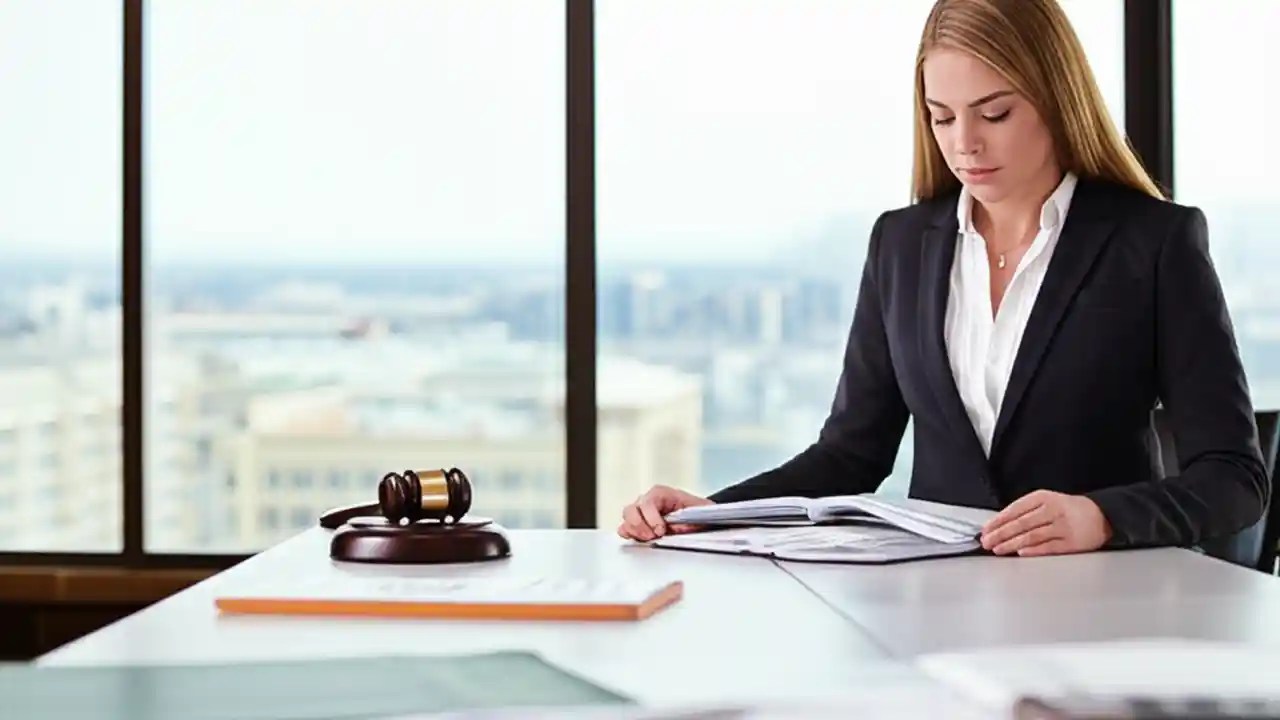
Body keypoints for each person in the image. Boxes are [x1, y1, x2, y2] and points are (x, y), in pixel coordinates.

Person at [617, 0, 1269, 558]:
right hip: (937, 602)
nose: (965, 145)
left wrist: (1097, 519)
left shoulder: (1152, 242)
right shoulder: (901, 245)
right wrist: (708, 514)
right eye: (943, 116)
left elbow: (1234, 479)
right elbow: (850, 457)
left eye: (995, 114)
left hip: (1104, 597)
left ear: (1055, 100)